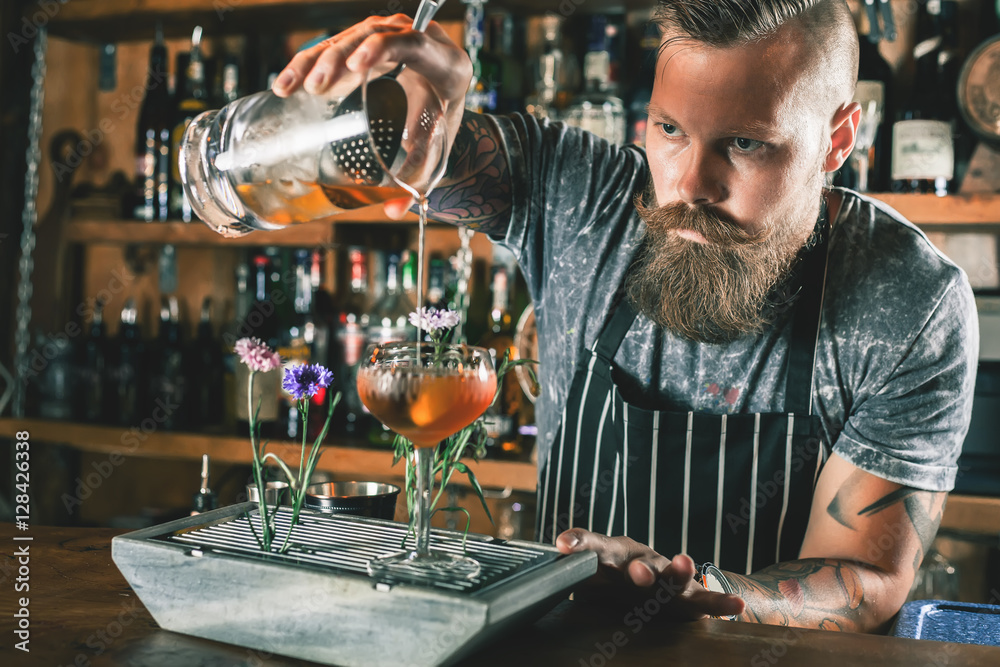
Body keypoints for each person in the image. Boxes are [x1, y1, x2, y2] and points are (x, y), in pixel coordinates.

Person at [273, 0, 978, 632]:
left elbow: (868, 578)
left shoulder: (906, 299)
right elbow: (407, 163)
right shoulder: (583, 199)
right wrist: (422, 107)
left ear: (838, 139)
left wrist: (702, 594)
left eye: (745, 143)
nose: (689, 185)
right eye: (669, 129)